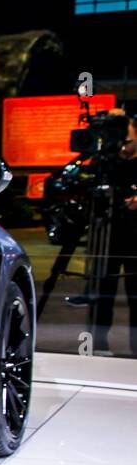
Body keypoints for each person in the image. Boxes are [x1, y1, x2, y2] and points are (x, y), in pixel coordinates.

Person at [93, 114, 137, 355]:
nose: (125, 144)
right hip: (108, 235)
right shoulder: (107, 165)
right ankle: (98, 345)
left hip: (134, 236)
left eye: (129, 139)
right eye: (122, 139)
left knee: (135, 295)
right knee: (103, 292)